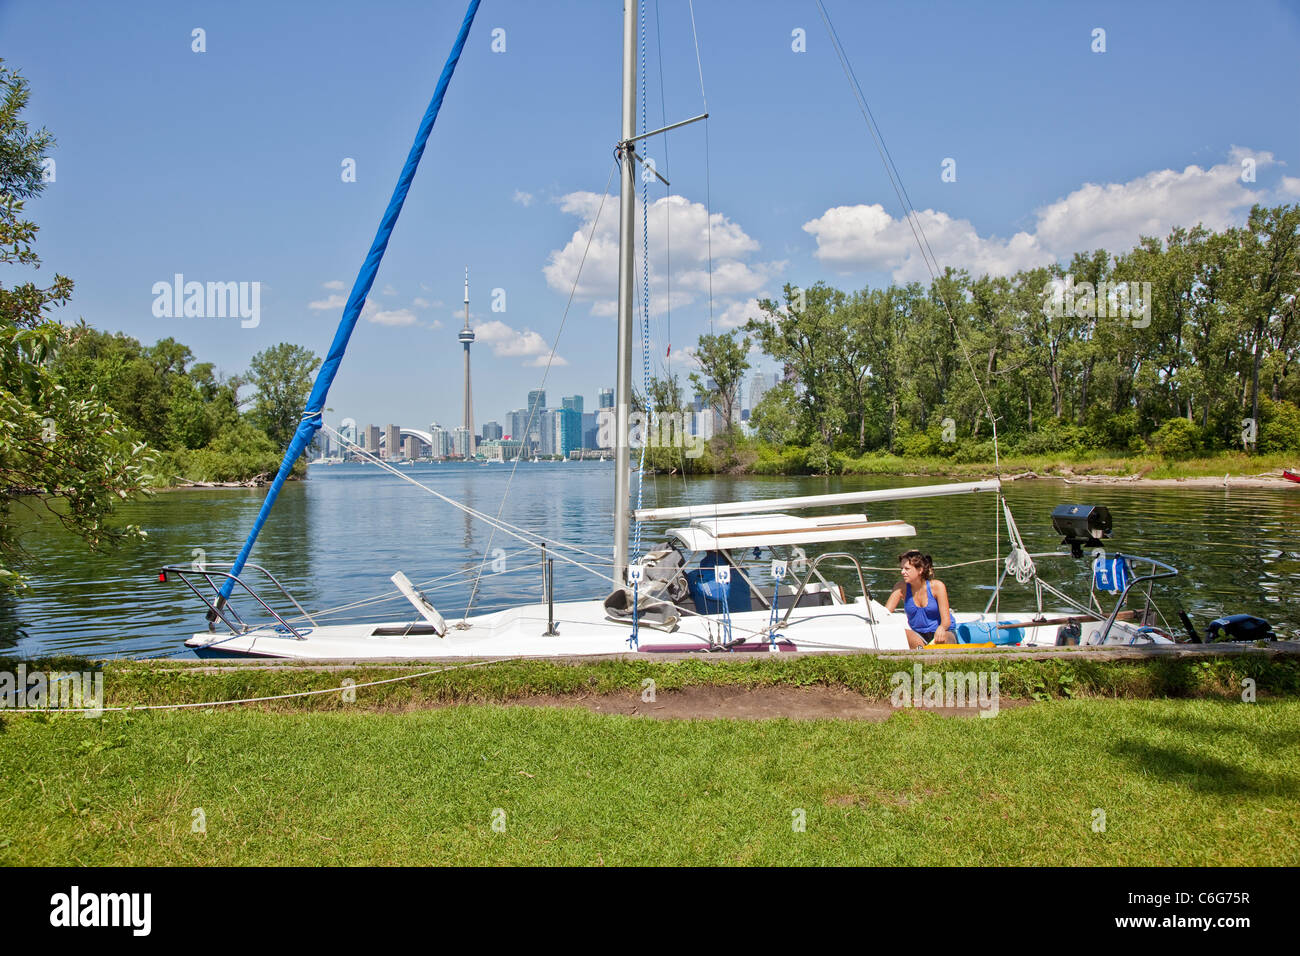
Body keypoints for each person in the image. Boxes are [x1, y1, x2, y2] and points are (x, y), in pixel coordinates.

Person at [884, 549, 954, 648]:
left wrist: (941, 628)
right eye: (901, 568)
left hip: (944, 631)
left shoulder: (937, 586)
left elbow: (946, 621)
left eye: (907, 569)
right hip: (919, 634)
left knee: (941, 641)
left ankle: (938, 659)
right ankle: (918, 663)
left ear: (920, 570)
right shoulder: (901, 587)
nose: (902, 572)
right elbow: (885, 614)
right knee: (906, 636)